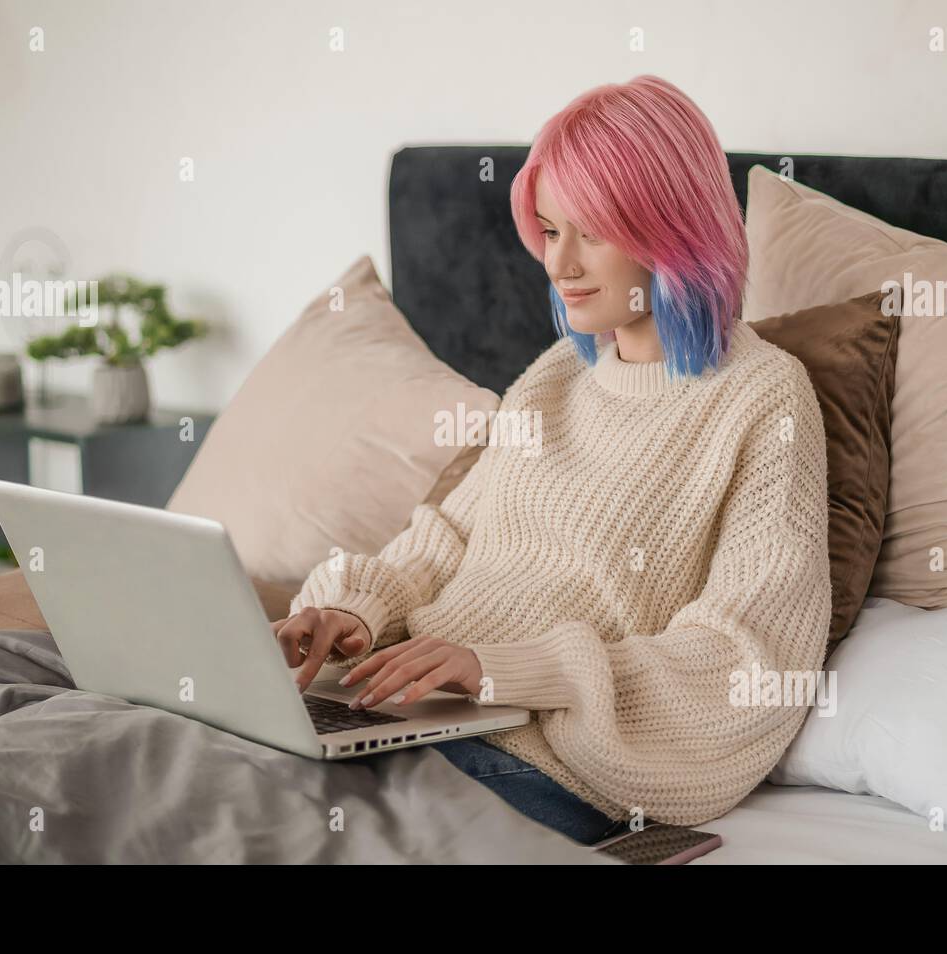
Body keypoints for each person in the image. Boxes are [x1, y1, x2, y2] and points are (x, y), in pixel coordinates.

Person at [273, 74, 833, 846]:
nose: (558, 263)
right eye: (548, 229)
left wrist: (500, 670)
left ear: (670, 229)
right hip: (402, 713)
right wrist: (353, 613)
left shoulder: (763, 398)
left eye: (590, 234)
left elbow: (751, 662)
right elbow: (448, 540)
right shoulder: (558, 376)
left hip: (529, 759)